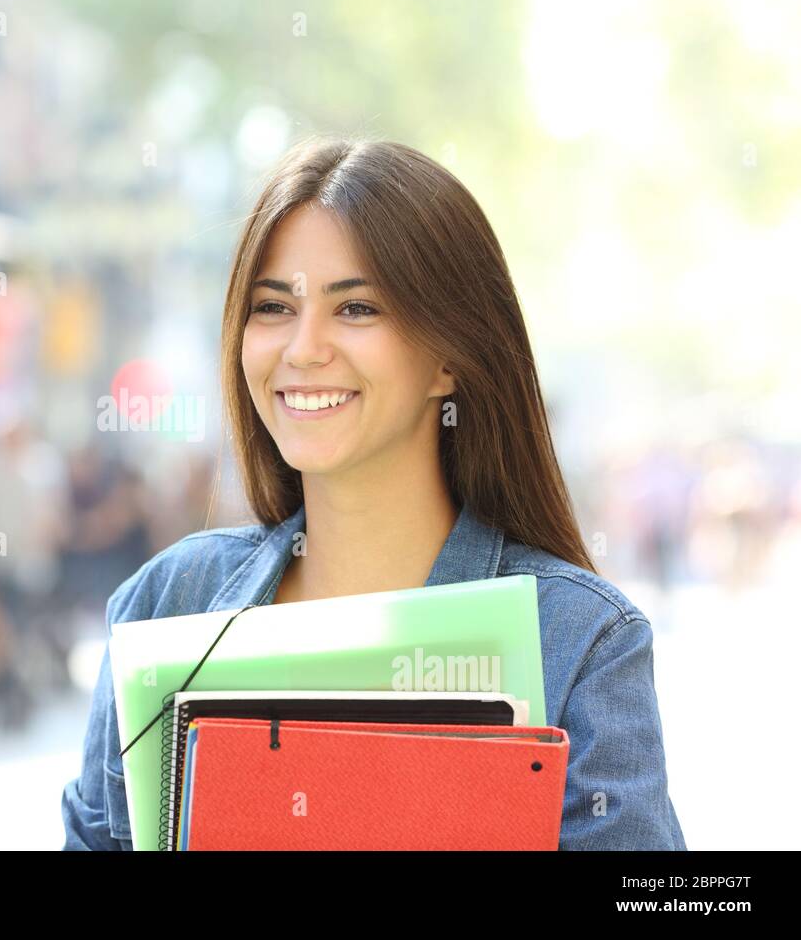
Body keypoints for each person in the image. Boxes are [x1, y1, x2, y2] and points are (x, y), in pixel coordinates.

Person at [61, 136, 686, 850]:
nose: (303, 348)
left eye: (355, 309)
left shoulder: (579, 641)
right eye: (272, 307)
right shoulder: (164, 605)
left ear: (449, 358)